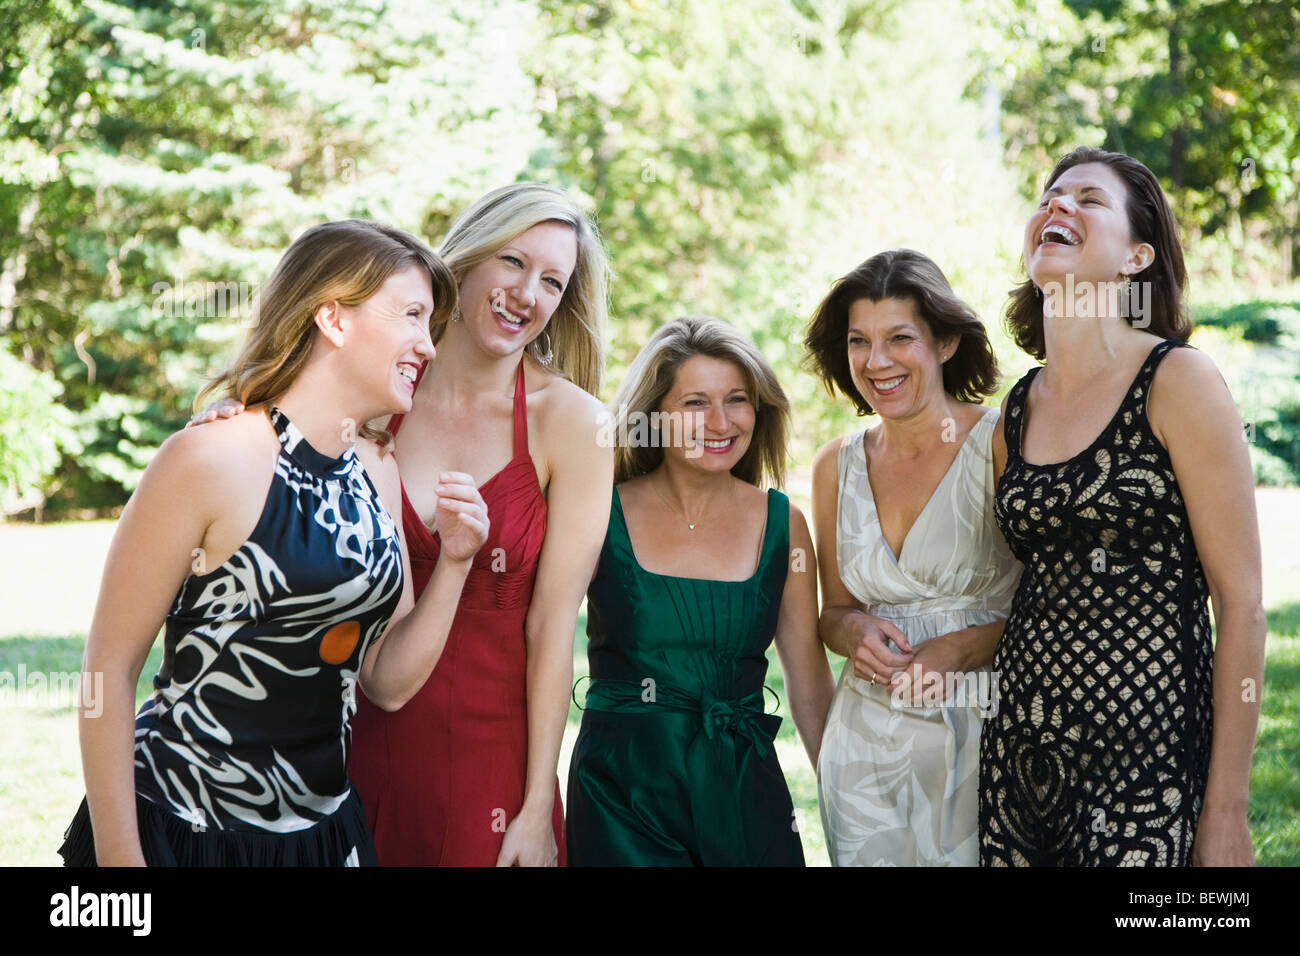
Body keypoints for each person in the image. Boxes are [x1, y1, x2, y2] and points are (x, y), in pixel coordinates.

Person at [193, 183, 613, 865]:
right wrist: (237, 424)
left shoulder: (576, 426)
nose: (528, 294)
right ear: (469, 257)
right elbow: (277, 447)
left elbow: (551, 626)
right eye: (512, 261)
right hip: (335, 745)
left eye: (552, 281)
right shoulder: (382, 386)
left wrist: (537, 804)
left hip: (488, 765)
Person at [60, 219, 488, 866]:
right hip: (183, 832)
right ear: (333, 319)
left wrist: (455, 563)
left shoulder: (377, 468)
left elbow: (388, 683)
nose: (427, 348)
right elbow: (106, 673)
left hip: (323, 839)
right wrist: (123, 864)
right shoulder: (209, 458)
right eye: (410, 316)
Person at [979, 146, 1265, 866]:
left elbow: (1242, 602)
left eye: (1088, 199)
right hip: (1022, 759)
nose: (1058, 205)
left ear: (1137, 258)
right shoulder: (1015, 411)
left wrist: (1226, 808)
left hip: (1149, 763)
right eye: (1050, 195)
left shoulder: (1179, 380)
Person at [566, 315, 835, 866]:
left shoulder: (785, 524)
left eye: (736, 399)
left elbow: (809, 685)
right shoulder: (599, 509)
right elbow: (543, 642)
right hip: (621, 795)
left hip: (745, 790)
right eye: (694, 403)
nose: (720, 422)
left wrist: (849, 808)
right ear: (653, 417)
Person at [805, 249, 1021, 866]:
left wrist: (963, 646)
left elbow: (1052, 600)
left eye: (900, 338)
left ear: (946, 341)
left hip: (988, 726)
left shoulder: (1002, 442)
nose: (876, 362)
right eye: (858, 341)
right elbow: (835, 612)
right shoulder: (833, 466)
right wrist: (854, 630)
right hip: (866, 746)